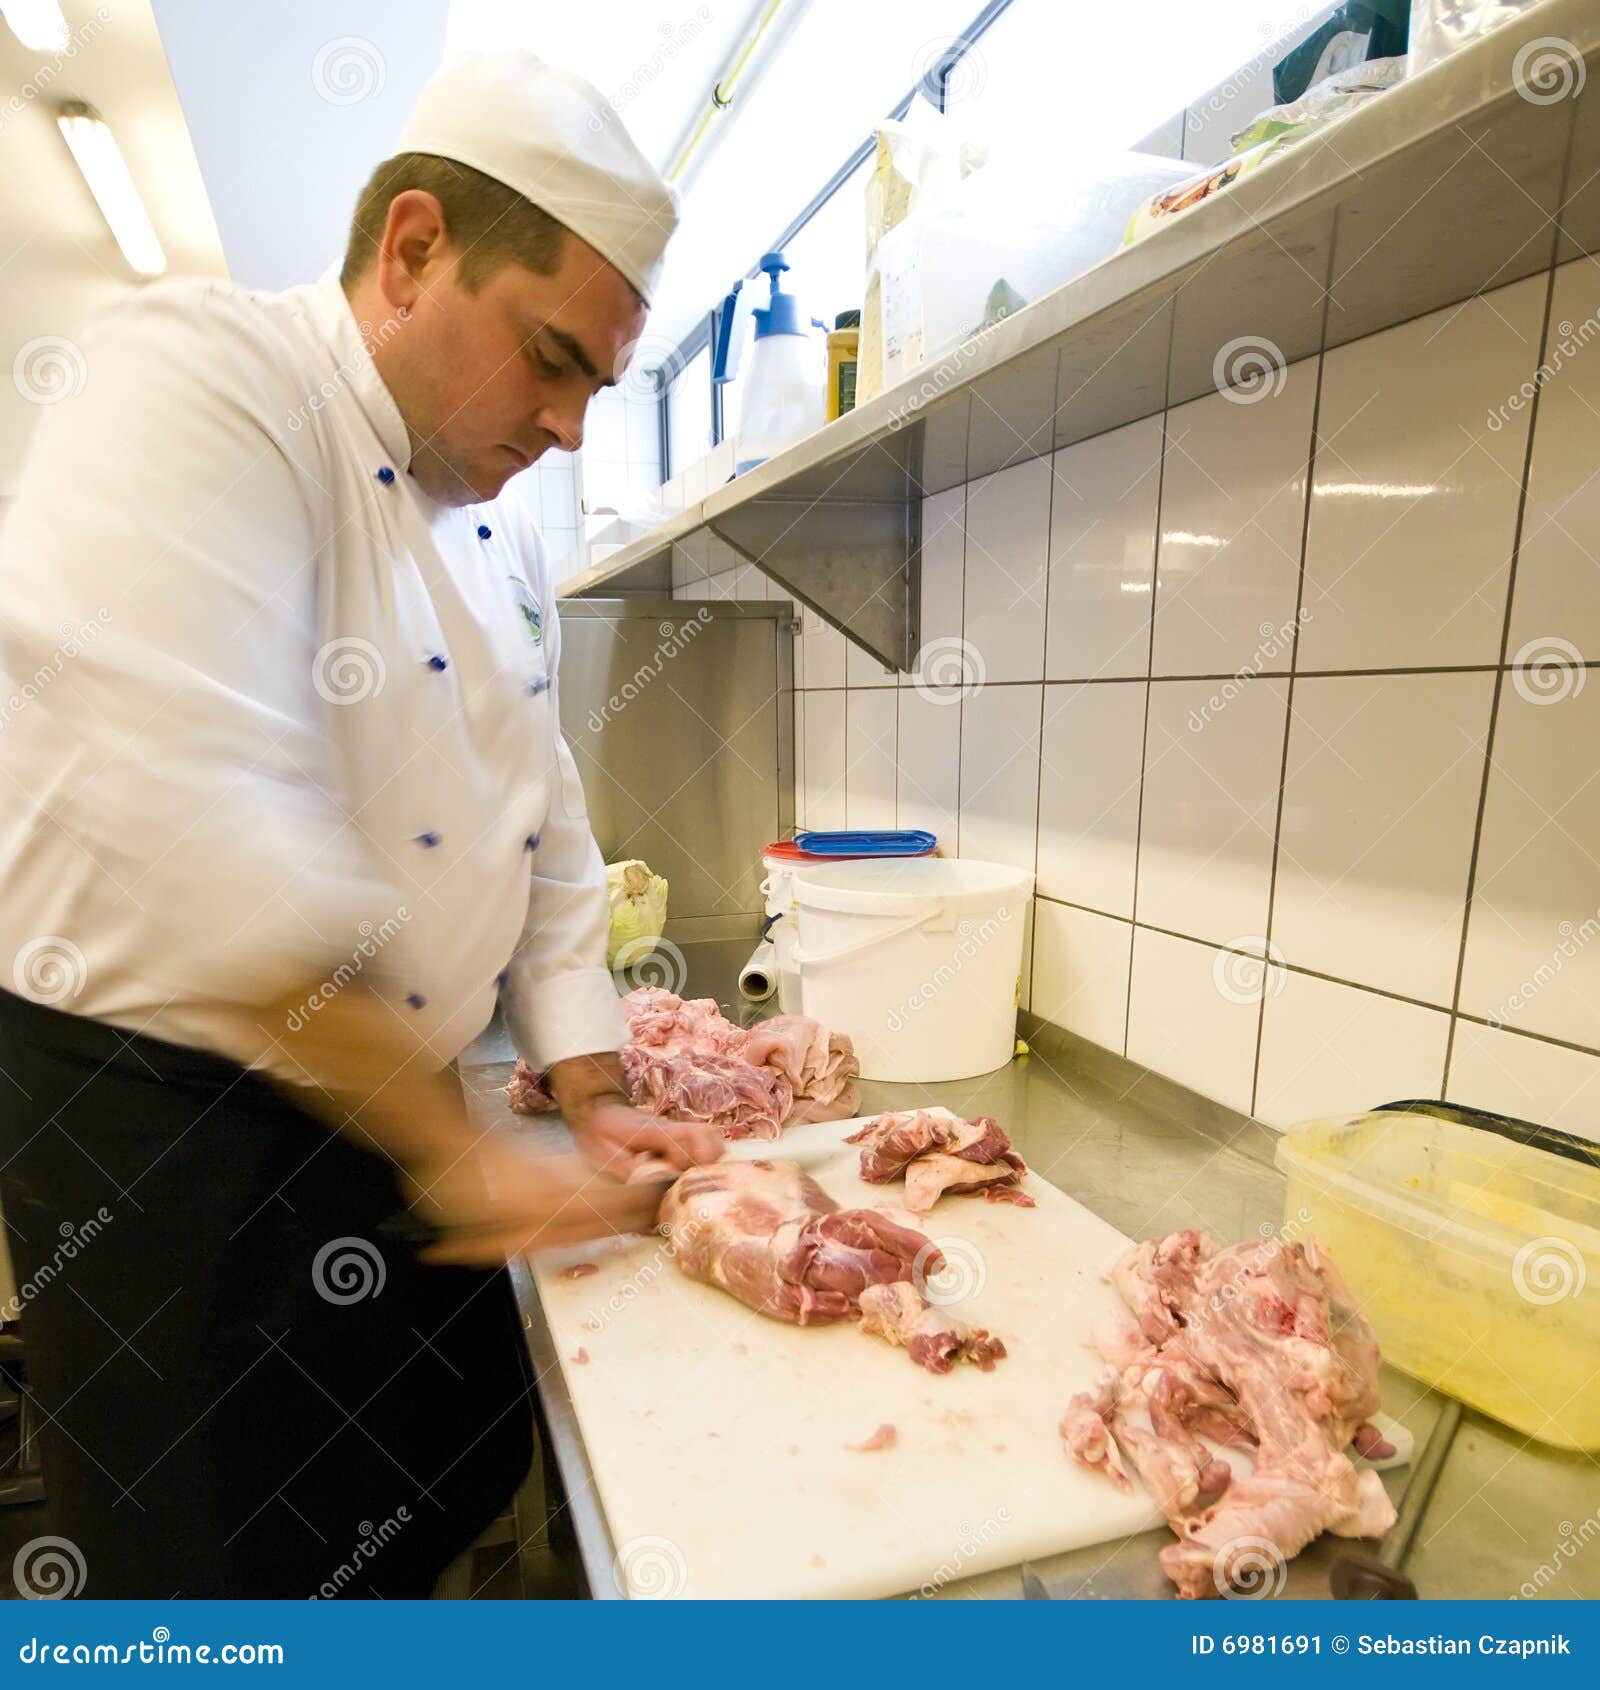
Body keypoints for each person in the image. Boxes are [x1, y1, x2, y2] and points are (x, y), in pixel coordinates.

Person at [0, 52, 718, 1598]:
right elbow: (195, 828)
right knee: (221, 1580)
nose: (572, 424)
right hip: (177, 1153)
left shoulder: (498, 517)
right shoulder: (200, 378)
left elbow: (545, 809)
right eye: (551, 357)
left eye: (598, 380)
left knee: (423, 1498)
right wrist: (454, 1153)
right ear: (409, 251)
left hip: (391, 1116)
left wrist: (586, 1075)